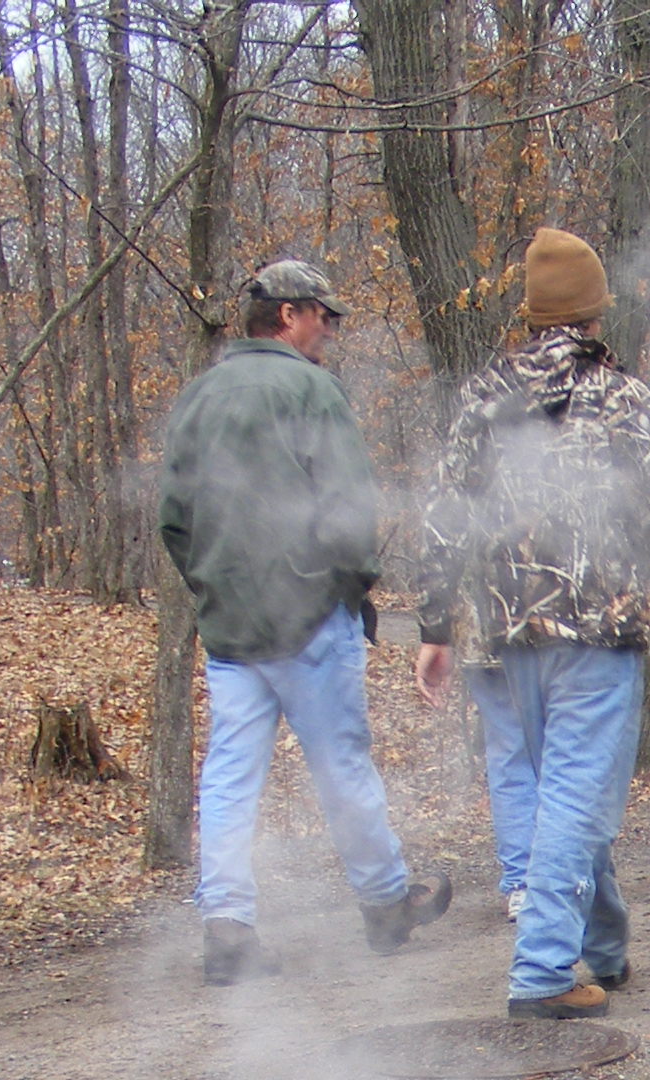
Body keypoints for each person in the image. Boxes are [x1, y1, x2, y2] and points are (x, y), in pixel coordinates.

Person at [415, 226, 650, 1022]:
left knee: (574, 792)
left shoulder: (482, 395)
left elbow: (445, 512)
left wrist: (437, 623)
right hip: (599, 626)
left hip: (506, 630)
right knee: (579, 792)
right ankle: (543, 971)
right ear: (595, 311)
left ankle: (602, 950)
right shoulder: (622, 395)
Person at [156, 258, 450, 987]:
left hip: (229, 624)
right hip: (310, 614)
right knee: (341, 763)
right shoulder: (313, 389)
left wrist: (211, 584)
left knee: (228, 777)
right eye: (324, 313)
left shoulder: (198, 397)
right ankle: (385, 903)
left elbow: (174, 518)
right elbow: (349, 505)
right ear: (287, 315)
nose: (330, 327)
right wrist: (350, 588)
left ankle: (226, 930)